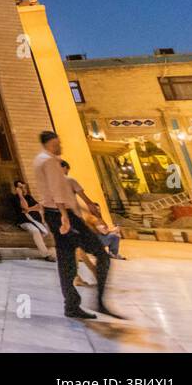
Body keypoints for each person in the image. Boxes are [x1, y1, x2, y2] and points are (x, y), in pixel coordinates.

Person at [33, 130, 121, 320]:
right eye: (58, 143)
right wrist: (65, 216)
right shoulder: (50, 161)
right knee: (100, 253)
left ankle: (71, 305)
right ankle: (99, 301)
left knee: (66, 261)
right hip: (62, 215)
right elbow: (57, 192)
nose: (61, 147)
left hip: (54, 214)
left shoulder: (39, 159)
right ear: (50, 143)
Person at [12, 179, 54, 260]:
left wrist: (30, 209)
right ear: (16, 189)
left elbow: (39, 207)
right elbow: (24, 207)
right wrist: (20, 196)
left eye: (24, 187)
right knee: (35, 231)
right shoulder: (15, 198)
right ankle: (46, 254)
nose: (23, 189)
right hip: (24, 222)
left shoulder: (29, 197)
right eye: (20, 187)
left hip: (36, 220)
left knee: (50, 228)